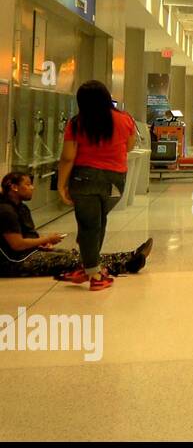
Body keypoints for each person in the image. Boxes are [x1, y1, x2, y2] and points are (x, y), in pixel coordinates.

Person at [56, 81, 139, 291]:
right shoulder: (125, 119)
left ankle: (94, 274)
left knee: (88, 225)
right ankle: (89, 268)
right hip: (115, 181)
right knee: (98, 222)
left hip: (84, 180)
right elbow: (129, 146)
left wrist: (61, 184)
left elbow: (67, 157)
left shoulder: (76, 123)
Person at [1, 172, 151, 279]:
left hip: (28, 252)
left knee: (75, 255)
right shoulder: (6, 211)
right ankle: (127, 262)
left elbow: (25, 236)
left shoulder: (20, 207)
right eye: (27, 185)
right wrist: (46, 239)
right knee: (74, 261)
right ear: (14, 187)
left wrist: (42, 242)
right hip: (17, 261)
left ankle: (129, 257)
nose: (32, 188)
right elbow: (17, 245)